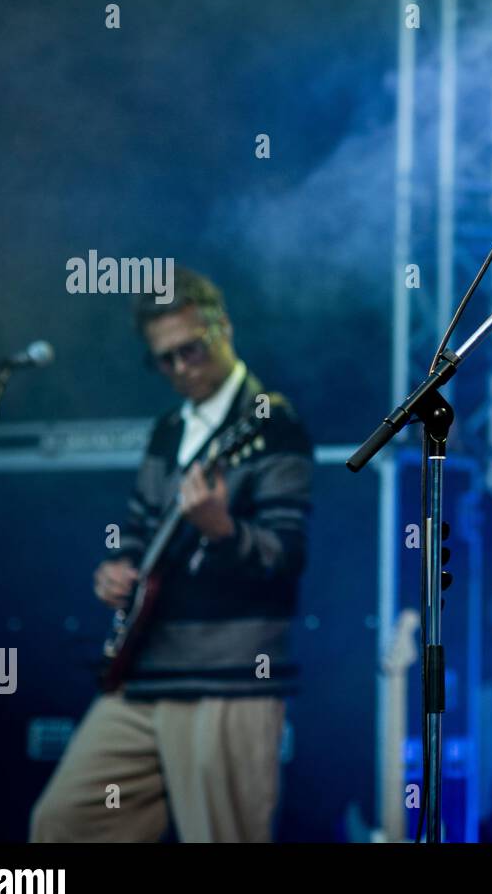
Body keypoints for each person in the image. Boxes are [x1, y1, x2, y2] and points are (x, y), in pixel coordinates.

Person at [30, 268, 313, 842]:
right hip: (145, 674)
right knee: (64, 825)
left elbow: (285, 556)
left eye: (193, 350)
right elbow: (139, 528)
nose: (183, 368)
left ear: (223, 327)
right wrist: (117, 570)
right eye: (167, 360)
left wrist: (221, 529)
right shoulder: (166, 431)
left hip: (228, 679)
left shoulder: (271, 424)